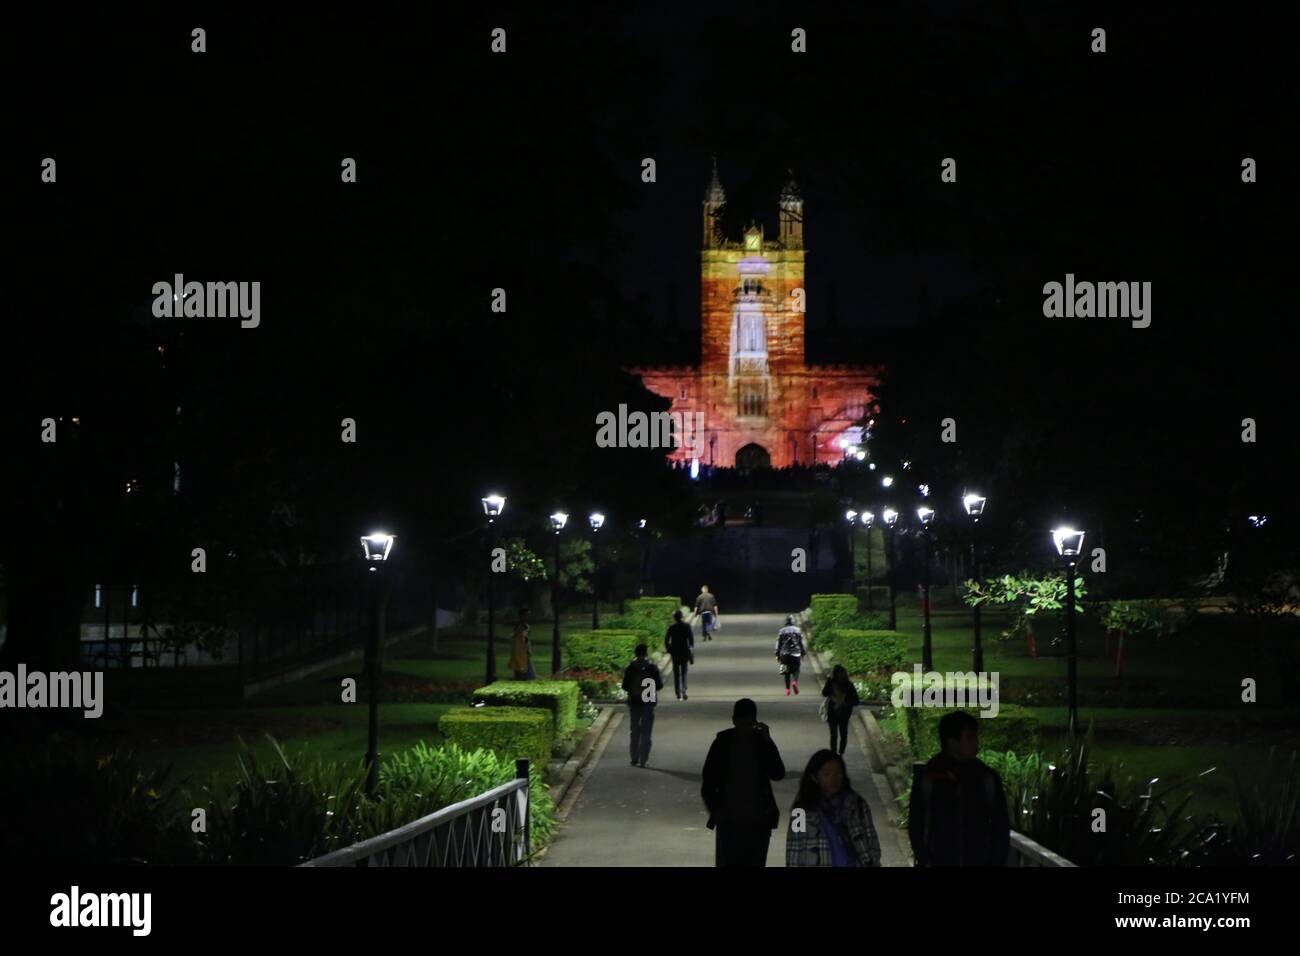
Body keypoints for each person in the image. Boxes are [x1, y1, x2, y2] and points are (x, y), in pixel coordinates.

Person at [908, 710, 1011, 866]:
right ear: (952, 741)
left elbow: (1001, 828)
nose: (976, 743)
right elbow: (916, 825)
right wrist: (924, 858)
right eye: (970, 737)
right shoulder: (930, 777)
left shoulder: (986, 778)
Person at [701, 698, 785, 866]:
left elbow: (777, 773)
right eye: (743, 723)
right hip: (732, 821)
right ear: (735, 721)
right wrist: (717, 811)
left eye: (749, 724)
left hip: (756, 821)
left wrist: (768, 741)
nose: (745, 729)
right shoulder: (723, 743)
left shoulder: (760, 742)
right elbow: (709, 782)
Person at [786, 750, 882, 867]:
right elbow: (794, 850)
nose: (833, 779)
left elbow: (872, 842)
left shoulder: (856, 805)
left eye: (838, 773)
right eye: (827, 774)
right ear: (814, 777)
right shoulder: (800, 812)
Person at [621, 644, 663, 768]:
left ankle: (634, 757)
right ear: (646, 653)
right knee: (646, 732)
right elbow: (659, 685)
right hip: (648, 700)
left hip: (634, 701)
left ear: (635, 653)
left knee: (634, 730)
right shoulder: (652, 667)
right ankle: (644, 760)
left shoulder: (631, 668)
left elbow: (625, 686)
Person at [822, 664, 860, 754]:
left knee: (843, 734)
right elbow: (824, 693)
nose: (840, 676)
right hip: (832, 711)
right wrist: (829, 685)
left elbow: (856, 700)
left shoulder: (849, 685)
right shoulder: (831, 683)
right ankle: (833, 753)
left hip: (844, 712)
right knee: (833, 734)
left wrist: (847, 703)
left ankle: (841, 752)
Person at [664, 609, 695, 700]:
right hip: (684, 651)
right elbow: (691, 640)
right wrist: (691, 650)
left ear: (674, 618)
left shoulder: (672, 627)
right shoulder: (687, 626)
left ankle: (677, 692)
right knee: (684, 671)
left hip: (675, 652)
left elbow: (666, 640)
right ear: (681, 616)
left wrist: (669, 649)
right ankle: (684, 689)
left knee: (676, 673)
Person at [775, 614, 805, 695]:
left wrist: (777, 654)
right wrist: (803, 652)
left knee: (786, 672)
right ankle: (794, 682)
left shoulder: (782, 631)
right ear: (793, 622)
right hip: (796, 652)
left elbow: (778, 643)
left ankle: (787, 689)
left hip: (784, 653)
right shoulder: (797, 630)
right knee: (796, 669)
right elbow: (801, 643)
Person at [507, 608, 535, 680]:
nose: (528, 617)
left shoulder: (525, 626)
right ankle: (521, 677)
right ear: (521, 616)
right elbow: (520, 640)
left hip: (523, 651)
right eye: (526, 615)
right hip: (520, 651)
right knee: (521, 666)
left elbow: (526, 639)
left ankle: (522, 676)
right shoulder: (520, 627)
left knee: (524, 667)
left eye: (529, 615)